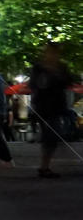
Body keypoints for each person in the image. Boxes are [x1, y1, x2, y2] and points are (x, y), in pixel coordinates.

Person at [28, 41, 76, 179]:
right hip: (43, 107)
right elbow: (34, 85)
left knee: (52, 135)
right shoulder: (39, 68)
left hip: (56, 106)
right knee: (52, 135)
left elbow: (68, 82)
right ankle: (44, 167)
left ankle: (44, 166)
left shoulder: (61, 67)